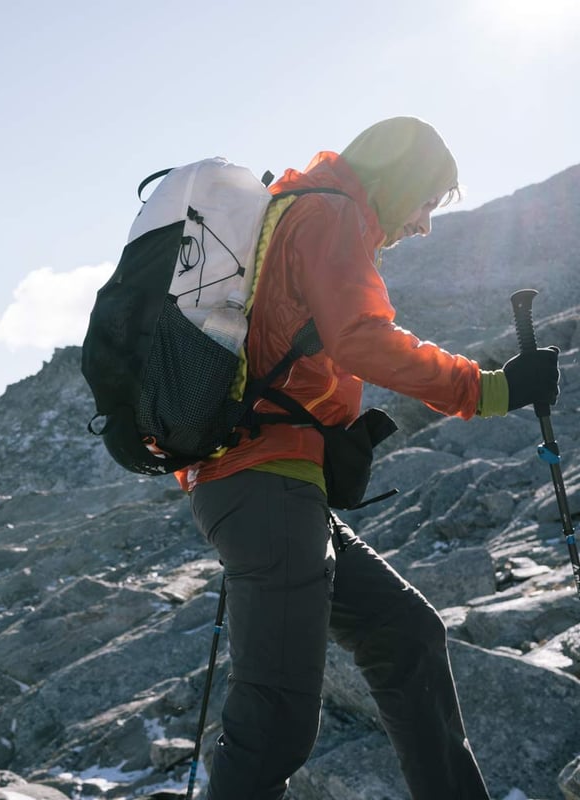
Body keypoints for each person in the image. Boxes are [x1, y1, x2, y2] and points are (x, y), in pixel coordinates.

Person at [177, 117, 560, 800]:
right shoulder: (330, 212)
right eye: (429, 202)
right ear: (401, 180)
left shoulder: (302, 210)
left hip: (271, 484)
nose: (426, 224)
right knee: (276, 720)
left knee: (404, 632)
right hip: (262, 487)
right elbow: (360, 339)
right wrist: (492, 388)